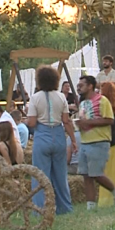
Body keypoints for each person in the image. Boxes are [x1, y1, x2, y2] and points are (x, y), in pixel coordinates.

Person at [26, 65, 76, 214]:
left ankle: (41, 209)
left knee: (40, 176)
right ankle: (65, 208)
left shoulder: (35, 98)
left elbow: (32, 123)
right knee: (61, 175)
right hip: (59, 135)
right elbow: (66, 121)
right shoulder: (61, 97)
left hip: (42, 136)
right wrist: (73, 140)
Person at [77, 75, 115, 209]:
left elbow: (109, 120)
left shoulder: (103, 101)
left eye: (82, 85)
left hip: (99, 141)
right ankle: (90, 206)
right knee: (86, 175)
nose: (79, 87)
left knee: (96, 174)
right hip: (85, 141)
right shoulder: (83, 103)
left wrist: (88, 122)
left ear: (90, 86)